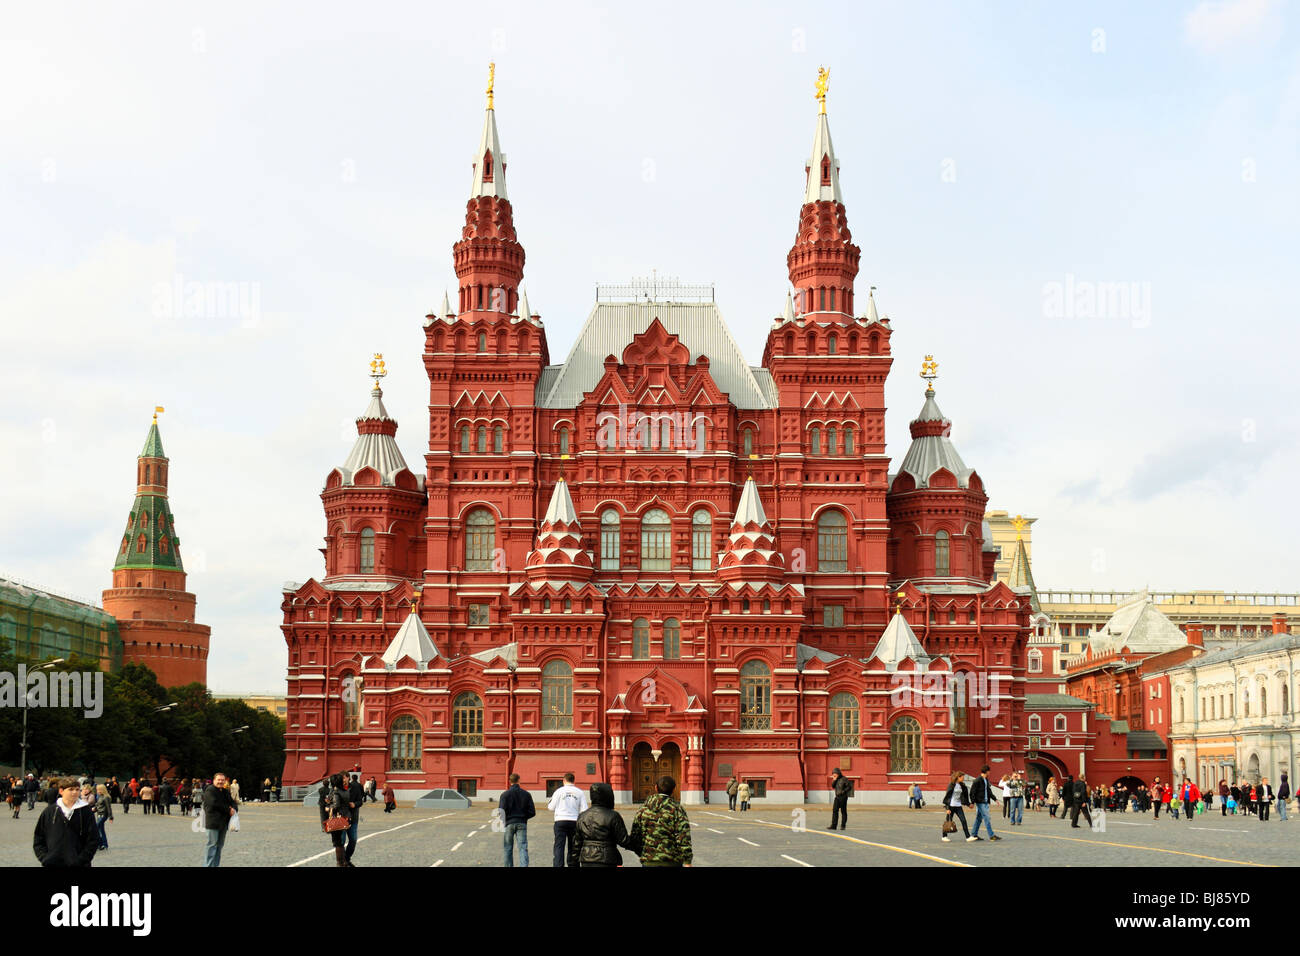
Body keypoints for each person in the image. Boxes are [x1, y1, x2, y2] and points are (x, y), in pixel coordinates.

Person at [33, 778, 98, 868]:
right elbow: (39, 837)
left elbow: (93, 839)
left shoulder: (86, 811)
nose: (75, 792)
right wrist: (45, 858)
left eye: (77, 789)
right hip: (52, 863)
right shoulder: (49, 811)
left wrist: (81, 860)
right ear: (61, 791)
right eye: (71, 789)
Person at [629, 775, 692, 867]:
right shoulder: (677, 809)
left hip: (648, 861)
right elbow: (683, 836)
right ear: (674, 789)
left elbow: (635, 836)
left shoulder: (643, 809)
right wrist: (687, 860)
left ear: (655, 788)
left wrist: (643, 853)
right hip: (672, 862)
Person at [569, 782, 628, 868]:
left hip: (587, 858)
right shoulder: (613, 815)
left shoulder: (582, 816)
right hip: (607, 858)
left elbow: (577, 843)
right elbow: (623, 840)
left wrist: (573, 863)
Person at [546, 772, 589, 867]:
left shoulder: (558, 791)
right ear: (574, 780)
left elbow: (551, 807)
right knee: (573, 846)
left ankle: (558, 865)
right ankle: (572, 864)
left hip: (560, 820)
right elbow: (584, 810)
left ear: (564, 780)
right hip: (574, 821)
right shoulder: (579, 792)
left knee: (559, 845)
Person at [201, 772, 239, 867]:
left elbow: (232, 802)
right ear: (214, 780)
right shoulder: (210, 790)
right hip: (213, 823)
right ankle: (208, 865)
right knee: (212, 845)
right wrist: (228, 809)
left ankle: (215, 865)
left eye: (222, 780)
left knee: (219, 846)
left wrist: (234, 809)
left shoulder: (225, 791)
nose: (220, 782)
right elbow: (214, 803)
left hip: (223, 823)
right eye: (218, 780)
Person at [498, 773, 535, 867]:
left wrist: (505, 820)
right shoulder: (526, 794)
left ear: (509, 781)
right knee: (523, 847)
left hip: (509, 823)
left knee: (508, 847)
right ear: (519, 780)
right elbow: (532, 812)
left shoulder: (504, 795)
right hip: (522, 823)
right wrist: (524, 817)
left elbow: (501, 812)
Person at [322, 774, 351, 867]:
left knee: (337, 842)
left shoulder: (336, 792)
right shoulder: (345, 791)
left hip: (337, 819)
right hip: (345, 817)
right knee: (340, 842)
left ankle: (340, 863)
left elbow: (336, 805)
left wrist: (328, 808)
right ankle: (343, 862)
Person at [969, 765, 1000, 841]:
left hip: (985, 801)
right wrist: (972, 802)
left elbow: (988, 791)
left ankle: (974, 834)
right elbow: (972, 792)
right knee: (987, 818)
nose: (990, 772)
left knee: (979, 819)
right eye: (989, 771)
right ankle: (991, 835)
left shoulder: (985, 779)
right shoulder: (977, 780)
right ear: (987, 771)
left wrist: (995, 799)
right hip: (980, 802)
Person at [941, 771, 973, 842]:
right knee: (948, 821)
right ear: (958, 777)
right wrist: (947, 808)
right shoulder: (951, 785)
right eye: (962, 777)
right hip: (951, 806)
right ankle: (944, 836)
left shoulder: (962, 786)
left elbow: (964, 797)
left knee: (963, 820)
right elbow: (947, 796)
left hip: (958, 806)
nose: (963, 778)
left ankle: (968, 837)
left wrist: (968, 804)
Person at [344, 772, 365, 864]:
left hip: (353, 818)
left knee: (353, 840)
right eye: (341, 778)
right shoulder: (337, 788)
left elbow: (360, 801)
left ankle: (347, 858)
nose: (343, 780)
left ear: (349, 778)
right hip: (341, 819)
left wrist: (355, 804)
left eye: (344, 778)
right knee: (341, 841)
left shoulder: (355, 787)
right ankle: (342, 861)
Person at [93, 783, 113, 851]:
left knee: (96, 828)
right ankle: (103, 844)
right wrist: (93, 809)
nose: (97, 791)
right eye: (97, 790)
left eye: (99, 790)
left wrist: (110, 817)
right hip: (99, 814)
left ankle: (100, 844)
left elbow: (108, 807)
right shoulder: (99, 797)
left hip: (103, 815)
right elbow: (98, 806)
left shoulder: (106, 797)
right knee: (101, 830)